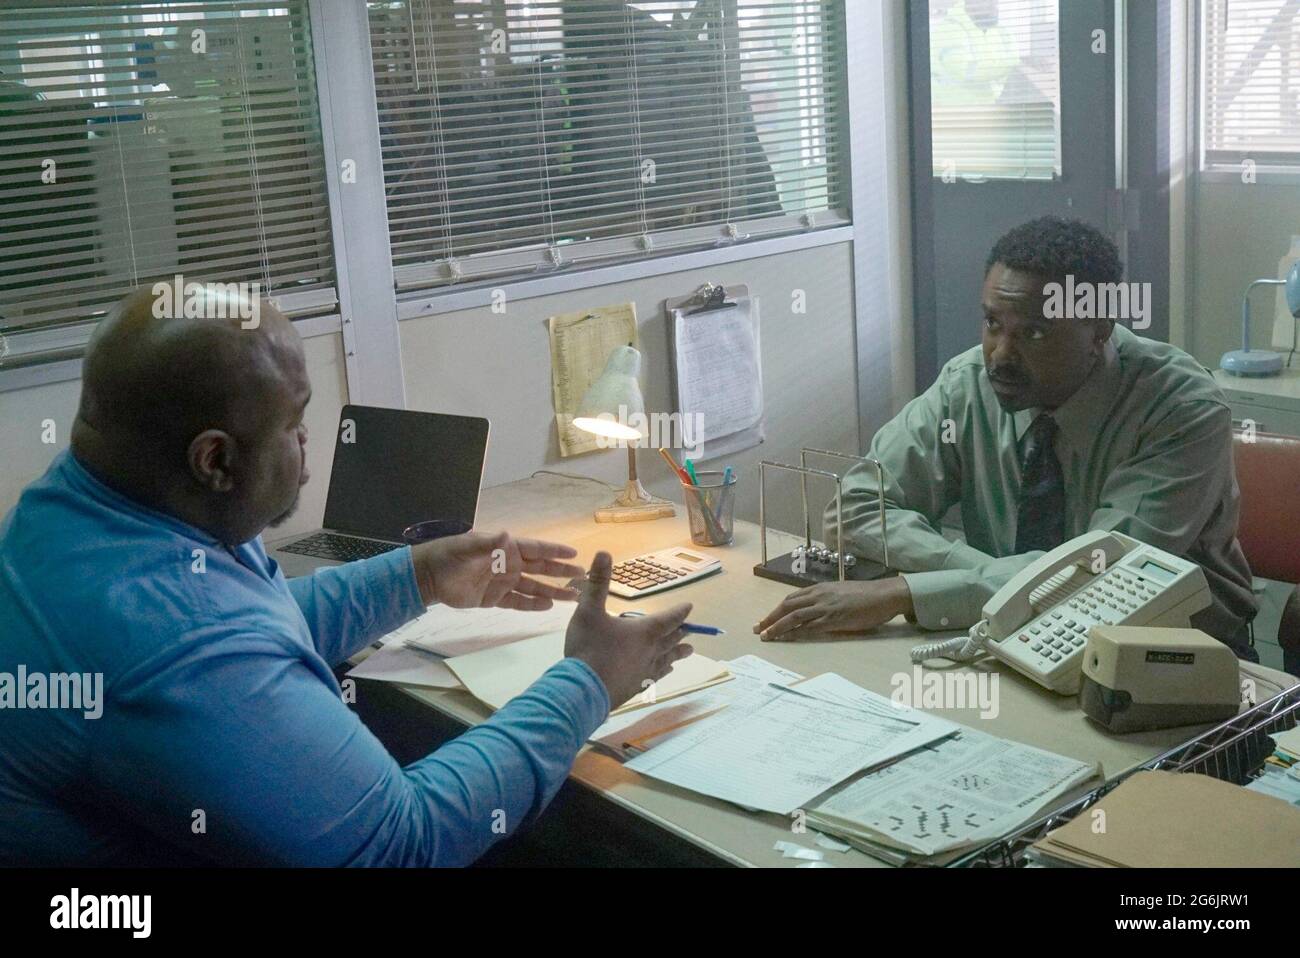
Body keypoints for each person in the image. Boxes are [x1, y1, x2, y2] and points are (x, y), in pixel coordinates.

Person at [0, 285, 693, 866]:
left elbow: (256, 620)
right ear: (214, 460)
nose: (309, 440)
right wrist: (589, 682)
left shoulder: (85, 506)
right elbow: (401, 844)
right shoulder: (166, 640)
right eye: (294, 422)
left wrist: (417, 577)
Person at [756, 216, 1258, 660]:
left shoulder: (1179, 408)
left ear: (1100, 330)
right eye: (993, 323)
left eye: (1034, 333)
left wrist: (909, 592)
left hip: (1173, 655)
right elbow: (856, 508)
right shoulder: (968, 384)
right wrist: (977, 578)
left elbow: (1102, 576)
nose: (1000, 354)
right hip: (1001, 633)